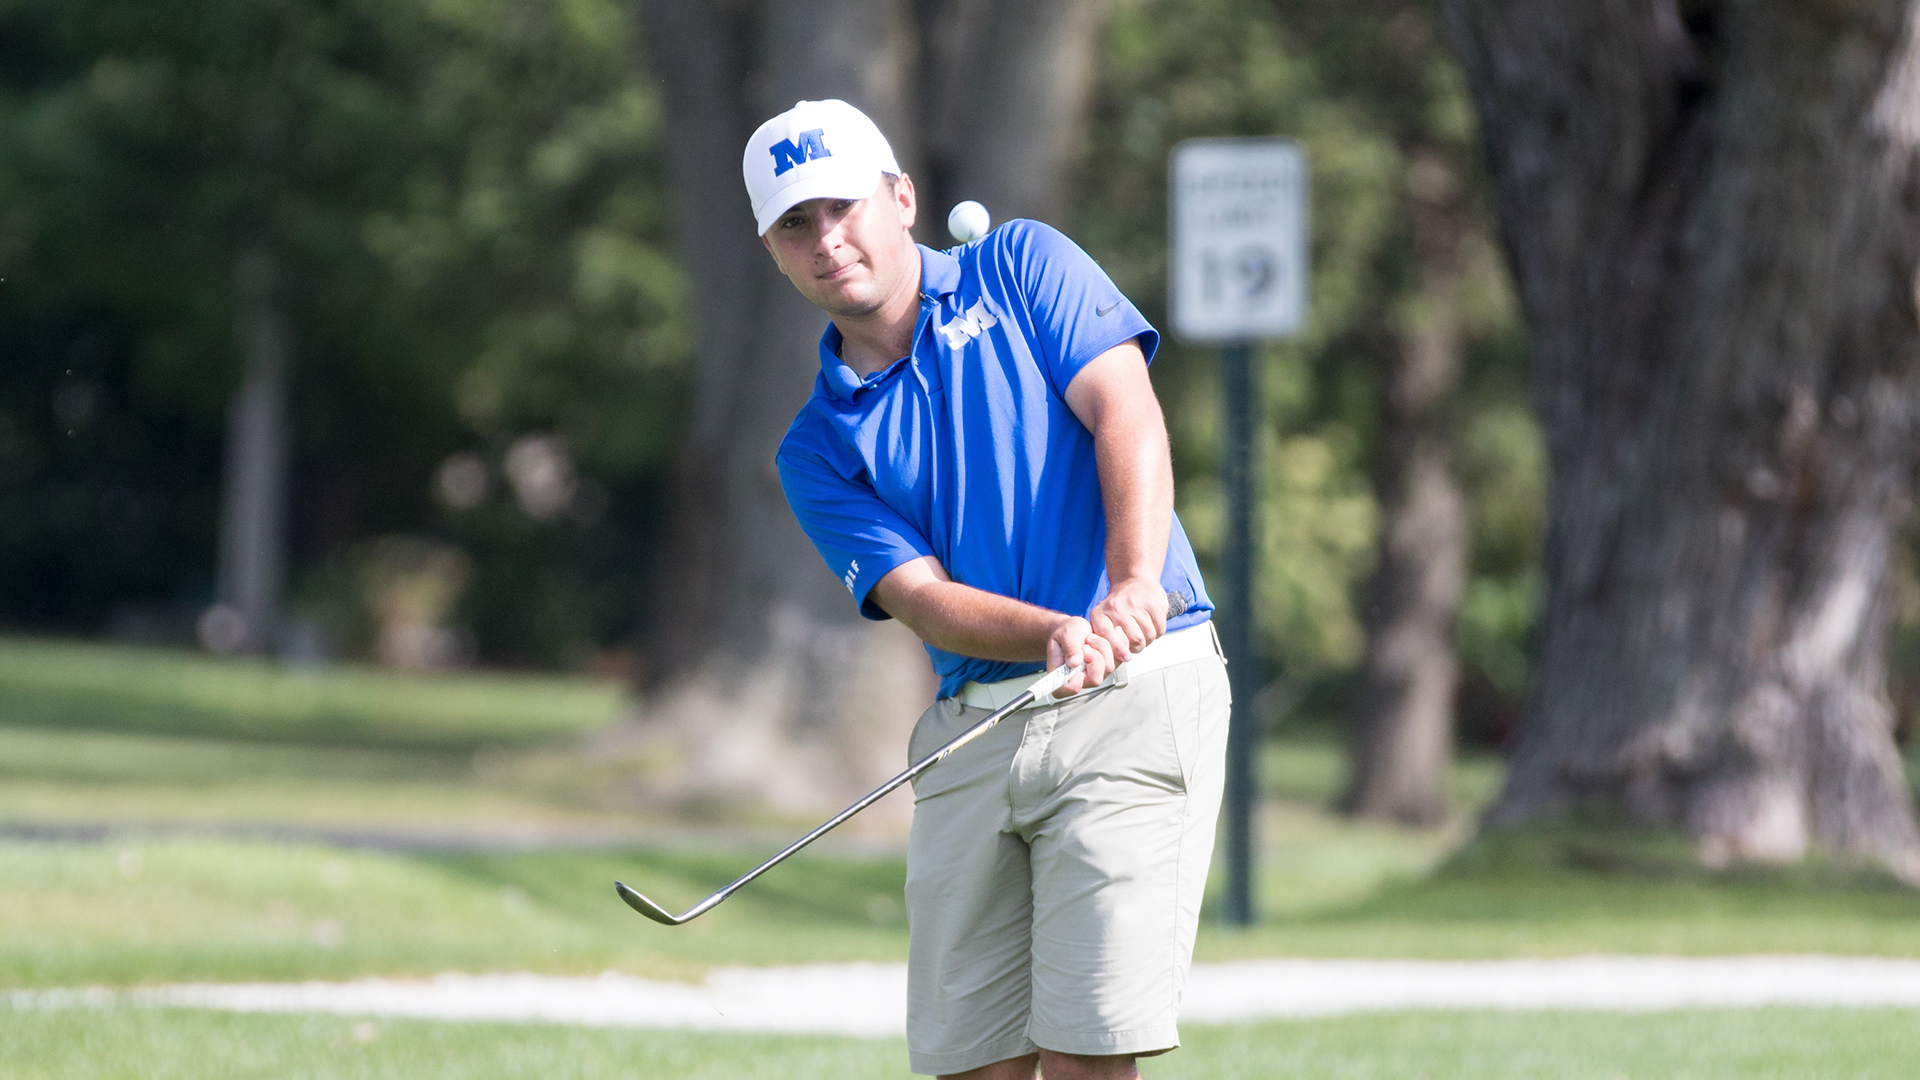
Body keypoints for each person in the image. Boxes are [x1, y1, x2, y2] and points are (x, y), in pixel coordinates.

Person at [745, 99, 1230, 1080]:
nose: (827, 239)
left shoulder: (1023, 265)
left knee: (1089, 1052)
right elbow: (919, 598)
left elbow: (1126, 415)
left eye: (843, 206)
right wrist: (1057, 630)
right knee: (973, 1065)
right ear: (772, 249)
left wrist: (1135, 584)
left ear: (902, 197)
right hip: (973, 730)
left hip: (1133, 697)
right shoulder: (817, 450)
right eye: (796, 223)